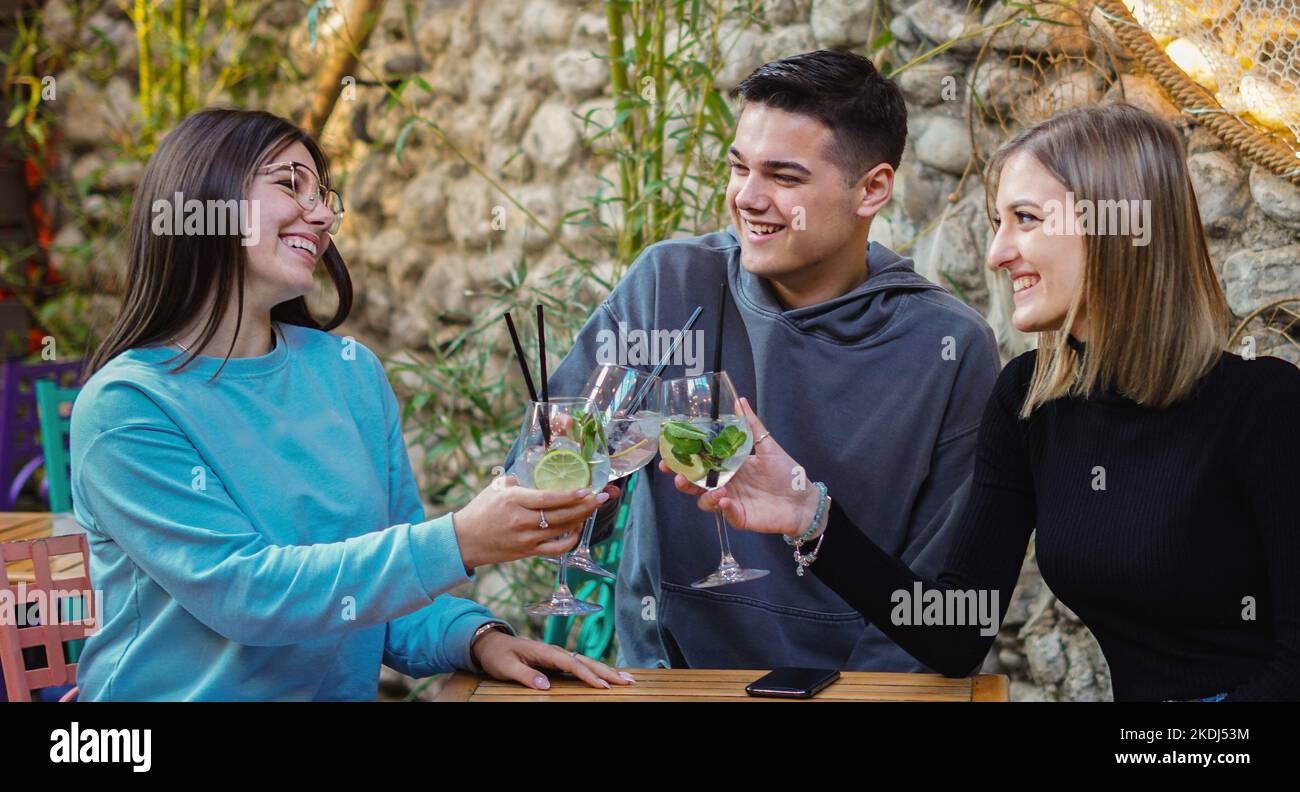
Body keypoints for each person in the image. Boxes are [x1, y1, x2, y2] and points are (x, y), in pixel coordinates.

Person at [669, 103, 1300, 701]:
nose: (999, 253)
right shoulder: (1030, 401)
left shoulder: (1265, 408)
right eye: (998, 223)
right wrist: (810, 515)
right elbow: (955, 632)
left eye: (1025, 219)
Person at [71, 108, 631, 700]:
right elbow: (246, 596)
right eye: (290, 184)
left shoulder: (350, 375)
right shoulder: (127, 406)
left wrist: (478, 637)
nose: (324, 213)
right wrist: (460, 540)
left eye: (324, 193)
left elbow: (381, 594)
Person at [537, 50, 1000, 671]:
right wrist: (569, 479)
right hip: (669, 681)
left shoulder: (950, 348)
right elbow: (562, 470)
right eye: (738, 167)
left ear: (872, 189)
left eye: (784, 177)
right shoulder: (666, 284)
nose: (747, 198)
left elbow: (940, 607)